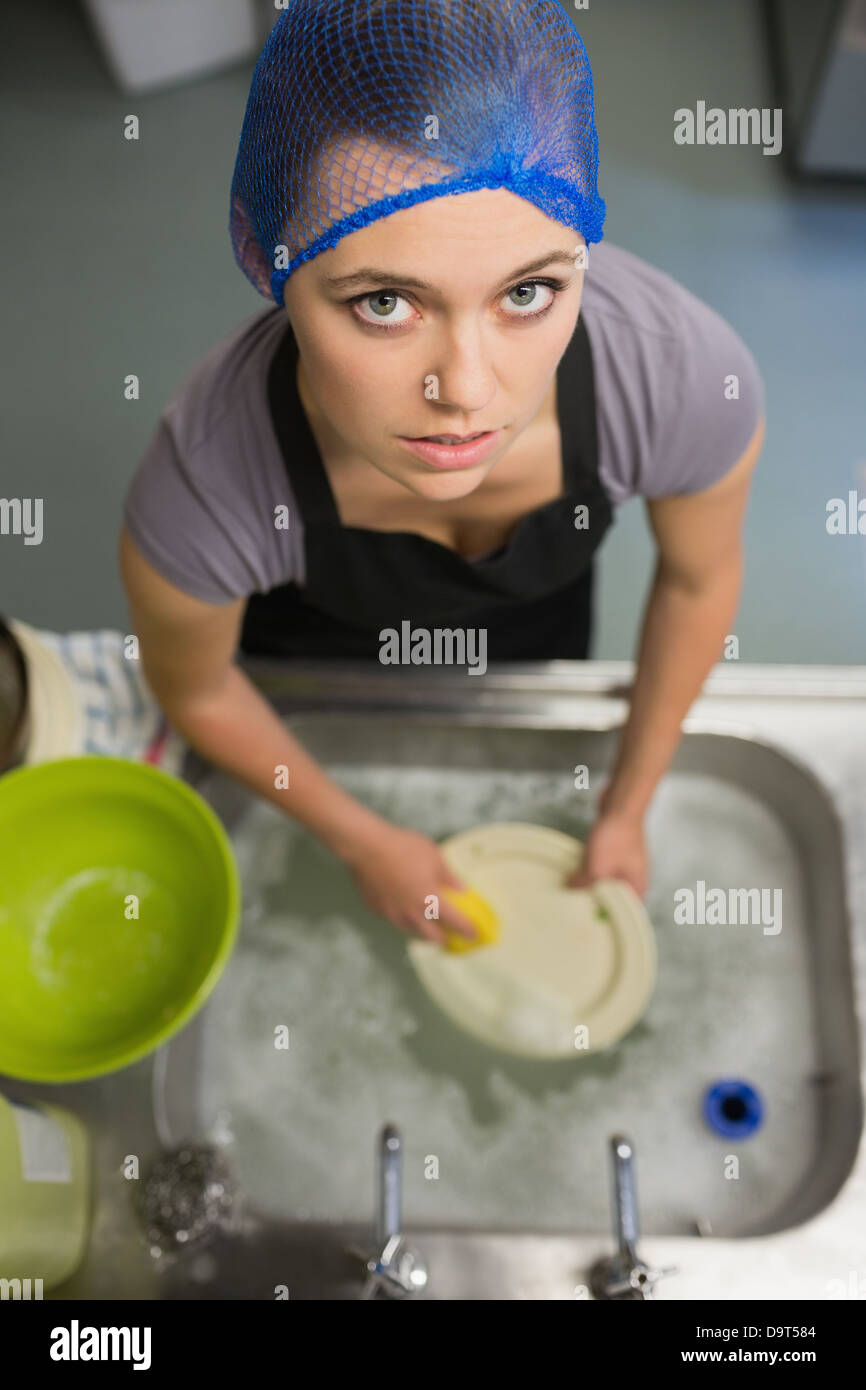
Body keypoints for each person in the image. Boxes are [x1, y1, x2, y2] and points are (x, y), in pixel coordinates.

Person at [119, 0, 766, 945]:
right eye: (385, 302)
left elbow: (699, 578)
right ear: (266, 257)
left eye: (529, 292)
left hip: (537, 644)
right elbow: (203, 690)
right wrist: (362, 840)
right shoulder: (207, 486)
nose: (466, 392)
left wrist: (627, 805)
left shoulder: (678, 375)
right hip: (314, 681)